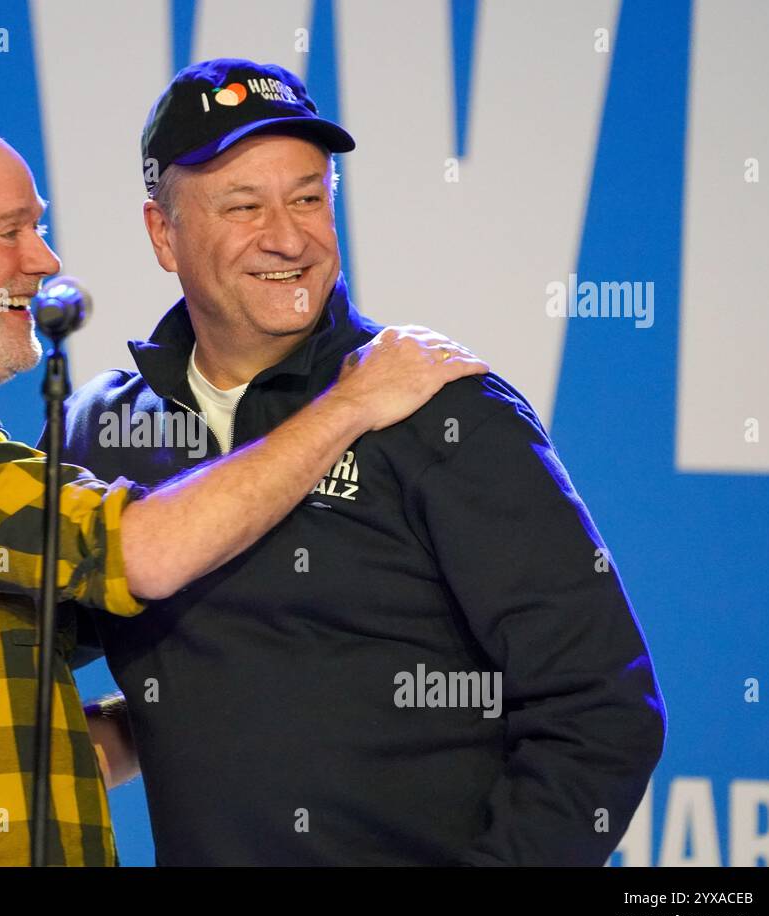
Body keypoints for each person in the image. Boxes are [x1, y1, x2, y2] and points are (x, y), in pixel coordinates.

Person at [0, 113, 485, 866]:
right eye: (10, 232)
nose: (44, 258)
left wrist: (234, 688)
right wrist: (352, 402)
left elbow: (37, 723)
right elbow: (144, 552)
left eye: (39, 227)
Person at [58, 59, 667, 866]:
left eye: (309, 197)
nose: (288, 237)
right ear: (163, 234)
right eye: (244, 206)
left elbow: (603, 705)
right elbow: (16, 658)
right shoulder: (101, 432)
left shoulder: (438, 407)